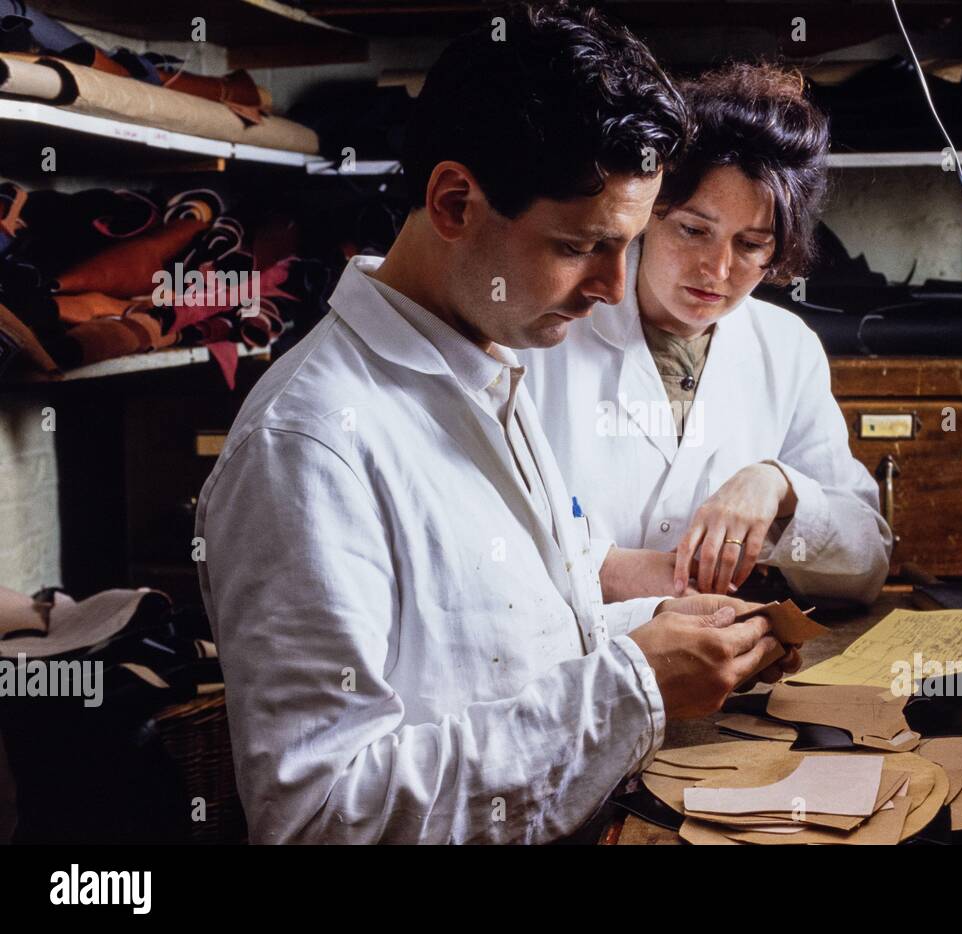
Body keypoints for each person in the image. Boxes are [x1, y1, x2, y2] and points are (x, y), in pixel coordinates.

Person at [195, 4, 795, 845]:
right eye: (580, 245)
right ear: (453, 202)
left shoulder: (484, 362)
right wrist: (635, 686)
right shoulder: (310, 447)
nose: (614, 289)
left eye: (626, 245)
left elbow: (498, 650)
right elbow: (320, 817)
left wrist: (654, 632)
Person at [523, 63, 893, 605]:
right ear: (648, 213)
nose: (717, 271)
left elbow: (866, 566)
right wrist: (620, 574)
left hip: (728, 671)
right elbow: (482, 549)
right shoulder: (547, 331)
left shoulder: (786, 350)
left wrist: (779, 486)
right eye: (694, 231)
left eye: (750, 245)